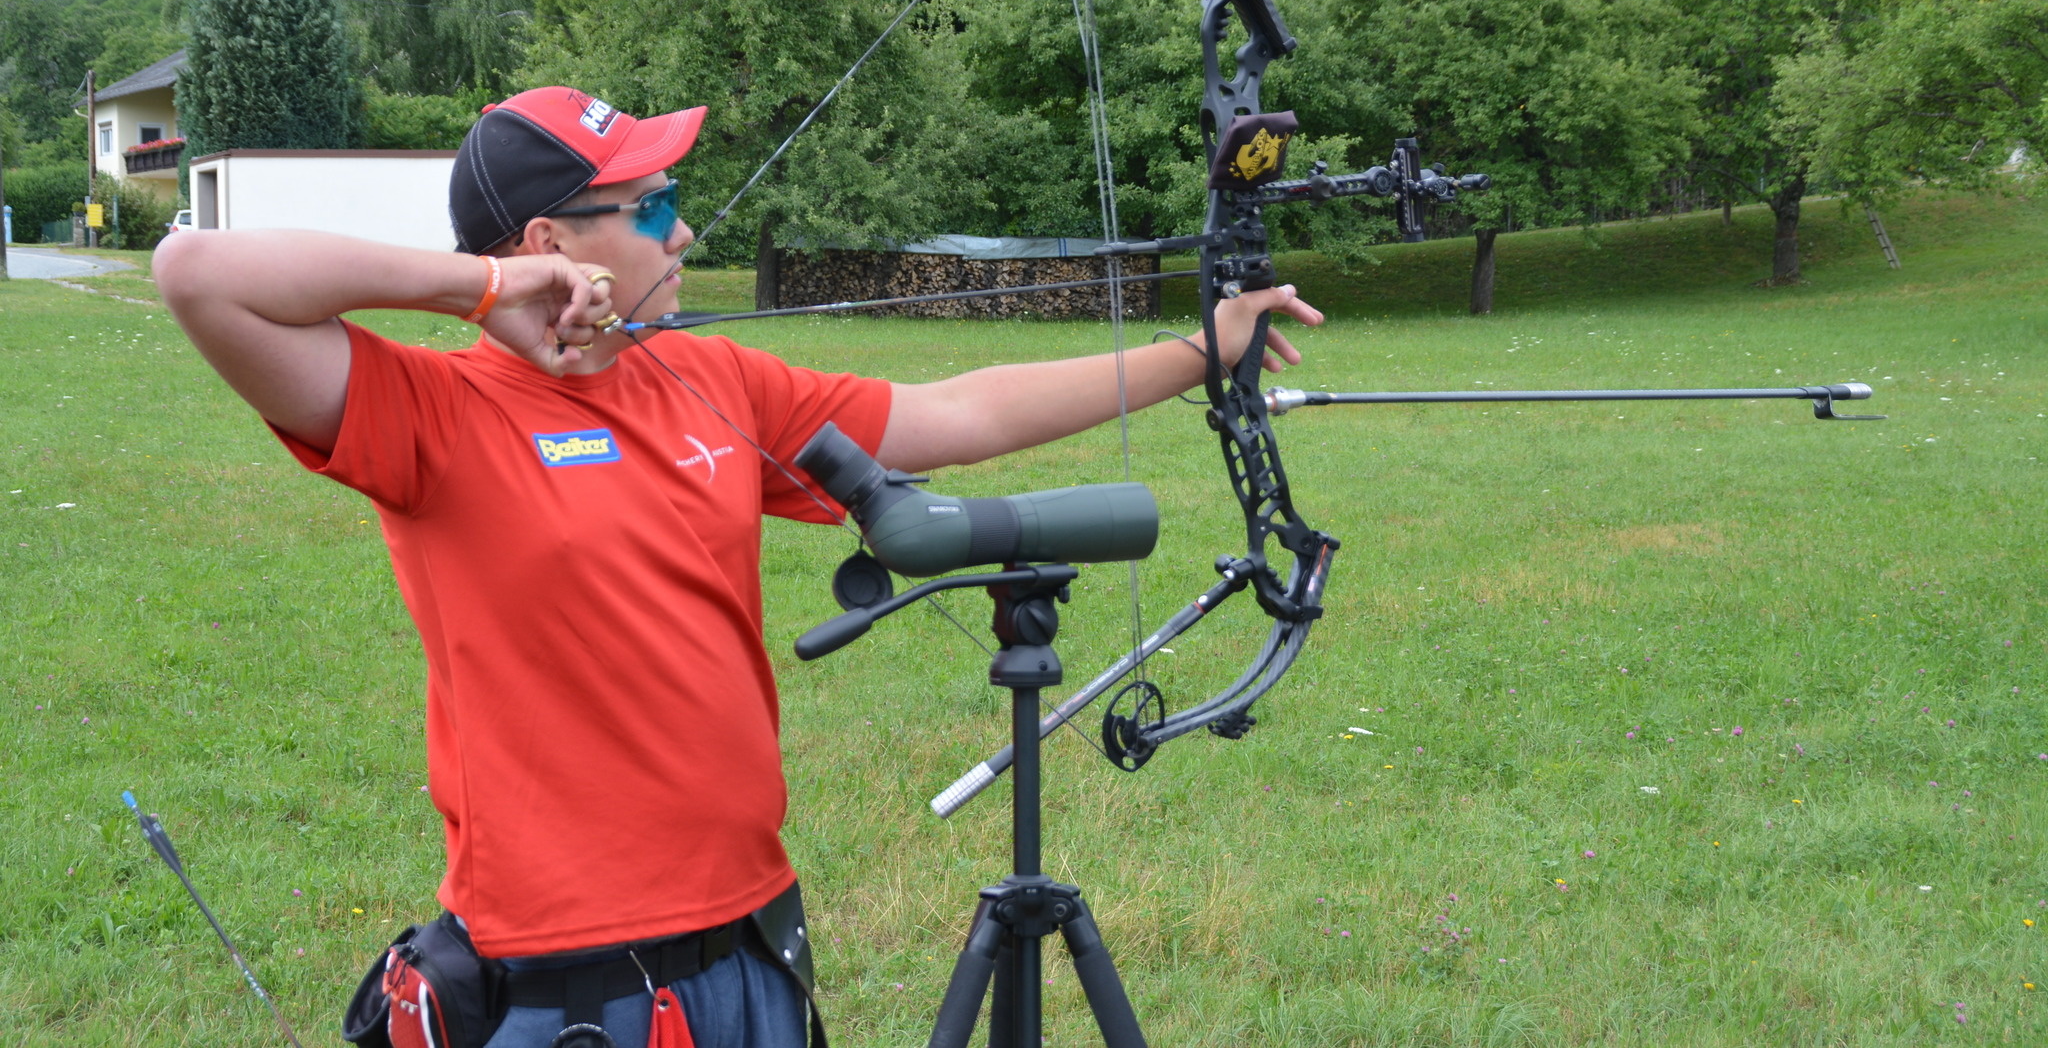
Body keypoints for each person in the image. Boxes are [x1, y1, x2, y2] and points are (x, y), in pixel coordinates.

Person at [152, 87, 1321, 1048]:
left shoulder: (711, 383)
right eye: (652, 205)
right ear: (550, 243)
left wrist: (1194, 353)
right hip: (566, 985)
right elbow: (197, 273)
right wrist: (478, 286)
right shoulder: (434, 410)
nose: (683, 231)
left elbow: (946, 411)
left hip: (755, 939)